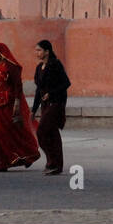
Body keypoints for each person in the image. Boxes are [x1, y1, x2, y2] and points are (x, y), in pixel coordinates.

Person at [0, 43, 39, 172]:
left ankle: (28, 155)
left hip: (6, 105)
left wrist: (17, 104)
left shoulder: (11, 67)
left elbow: (17, 87)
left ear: (3, 54)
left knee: (8, 133)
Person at [31, 40, 70, 176]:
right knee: (52, 134)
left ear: (47, 51)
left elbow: (66, 83)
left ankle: (53, 161)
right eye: (36, 50)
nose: (37, 53)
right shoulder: (38, 68)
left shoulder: (55, 65)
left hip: (56, 103)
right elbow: (38, 91)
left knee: (42, 131)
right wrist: (33, 109)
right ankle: (54, 164)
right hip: (45, 105)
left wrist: (51, 93)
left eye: (39, 50)